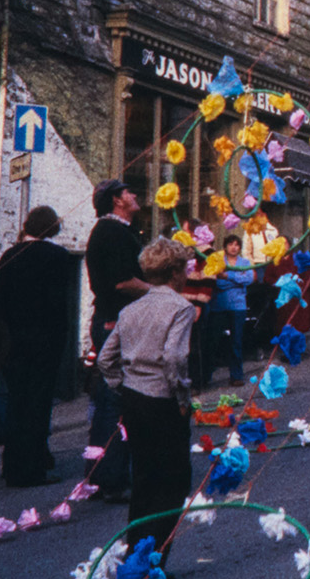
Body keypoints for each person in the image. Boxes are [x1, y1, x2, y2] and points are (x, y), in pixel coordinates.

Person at [96, 237, 196, 551]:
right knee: (172, 482)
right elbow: (173, 357)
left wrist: (120, 385)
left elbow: (104, 359)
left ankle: (135, 552)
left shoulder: (131, 309)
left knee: (143, 479)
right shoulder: (180, 307)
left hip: (134, 398)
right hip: (162, 400)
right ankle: (154, 563)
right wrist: (181, 397)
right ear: (176, 272)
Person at [0, 206, 71, 487]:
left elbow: (0, 300)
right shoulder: (57, 257)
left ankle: (11, 465)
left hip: (14, 341)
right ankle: (33, 468)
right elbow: (58, 305)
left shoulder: (8, 256)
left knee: (16, 403)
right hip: (44, 340)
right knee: (37, 406)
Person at [84, 179, 148, 502]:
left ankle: (99, 474)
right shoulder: (111, 231)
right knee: (115, 399)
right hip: (114, 322)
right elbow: (122, 281)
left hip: (116, 321)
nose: (134, 194)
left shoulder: (120, 231)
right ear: (116, 200)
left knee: (108, 398)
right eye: (128, 191)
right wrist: (160, 291)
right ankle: (111, 477)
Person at [203, 235, 253, 386]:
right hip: (218, 305)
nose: (234, 247)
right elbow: (215, 282)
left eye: (237, 245)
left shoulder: (245, 262)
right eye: (231, 244)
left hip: (238, 306)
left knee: (236, 341)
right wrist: (236, 279)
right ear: (225, 246)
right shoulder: (217, 261)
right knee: (213, 341)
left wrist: (227, 276)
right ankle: (205, 377)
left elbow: (249, 279)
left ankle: (236, 376)